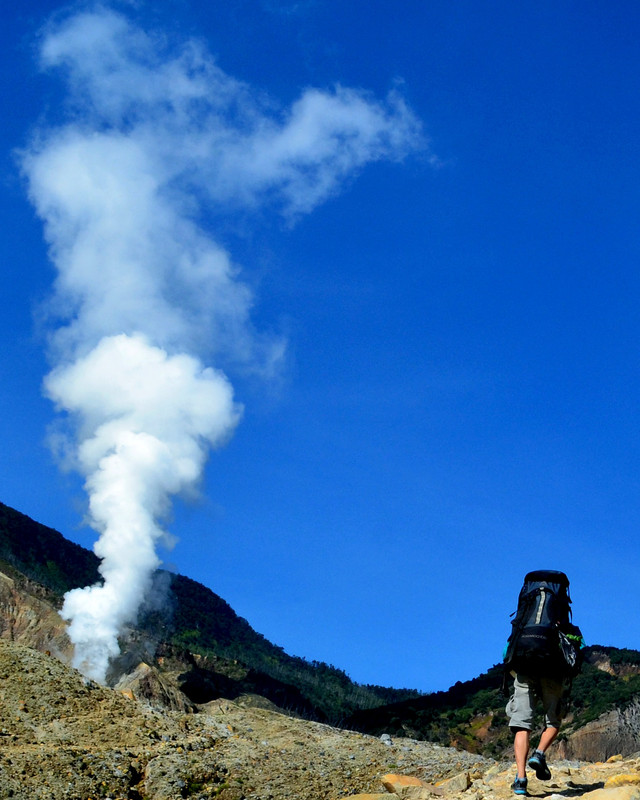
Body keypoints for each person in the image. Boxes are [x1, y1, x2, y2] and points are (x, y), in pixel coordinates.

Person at [503, 570, 584, 797]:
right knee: (553, 721)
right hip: (552, 671)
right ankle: (539, 753)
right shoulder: (564, 625)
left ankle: (520, 780)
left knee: (522, 725)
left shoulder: (524, 622)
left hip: (525, 667)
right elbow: (577, 653)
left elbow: (507, 652)